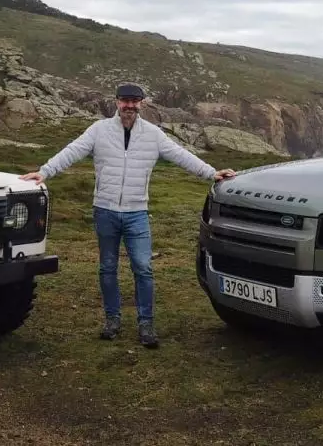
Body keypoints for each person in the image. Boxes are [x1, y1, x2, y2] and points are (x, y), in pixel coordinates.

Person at [20, 83, 236, 348]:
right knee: (107, 268)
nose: (129, 106)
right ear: (116, 102)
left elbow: (181, 155)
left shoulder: (153, 135)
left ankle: (146, 323)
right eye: (125, 101)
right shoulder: (99, 130)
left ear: (142, 104)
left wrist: (211, 173)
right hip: (105, 211)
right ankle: (112, 320)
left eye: (135, 101)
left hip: (137, 213)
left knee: (143, 268)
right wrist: (45, 171)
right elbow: (73, 151)